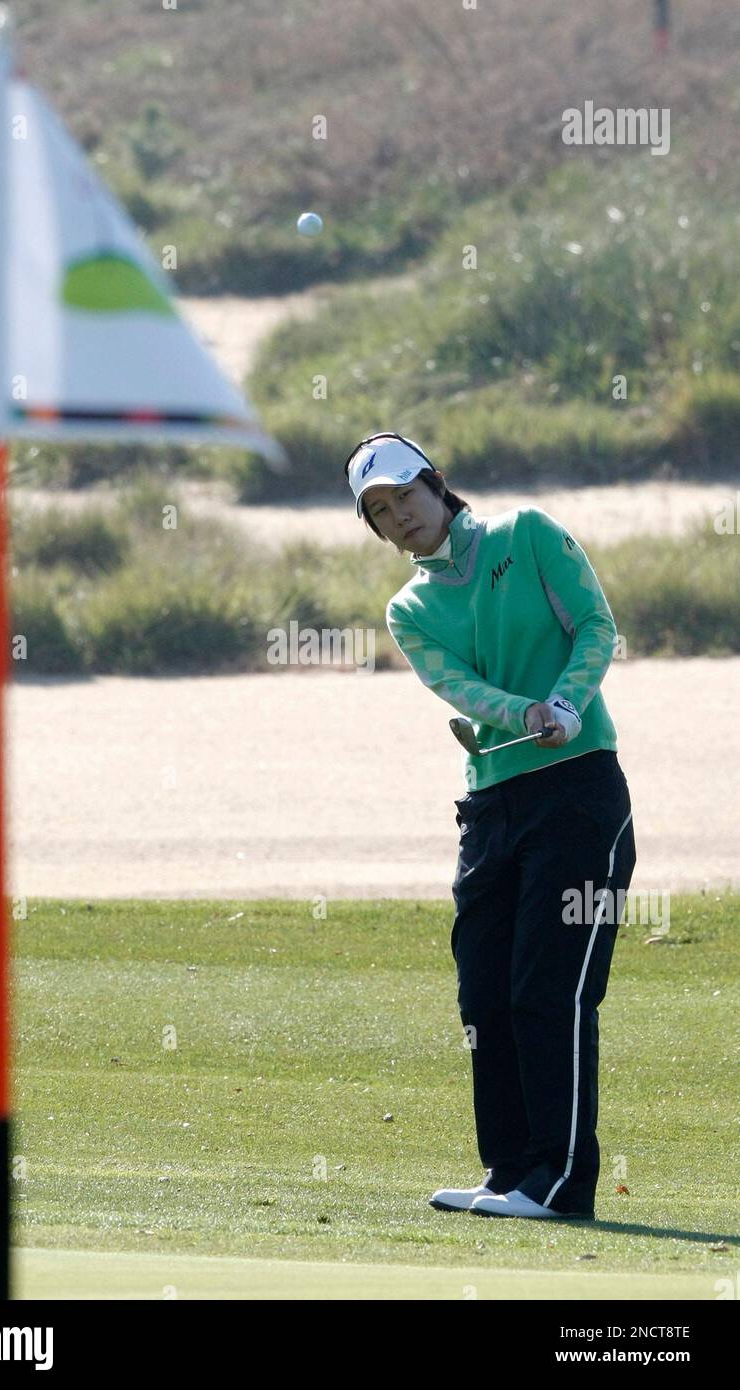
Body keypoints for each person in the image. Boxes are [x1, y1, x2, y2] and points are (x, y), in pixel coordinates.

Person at [344, 432, 636, 1221]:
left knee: (551, 991)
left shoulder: (528, 534)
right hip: (492, 809)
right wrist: (525, 713)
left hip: (580, 796)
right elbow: (462, 689)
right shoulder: (410, 609)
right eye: (379, 510)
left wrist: (568, 704)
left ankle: (561, 1181)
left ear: (437, 486)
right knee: (485, 994)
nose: (399, 514)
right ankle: (510, 1174)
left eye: (406, 494)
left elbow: (595, 627)